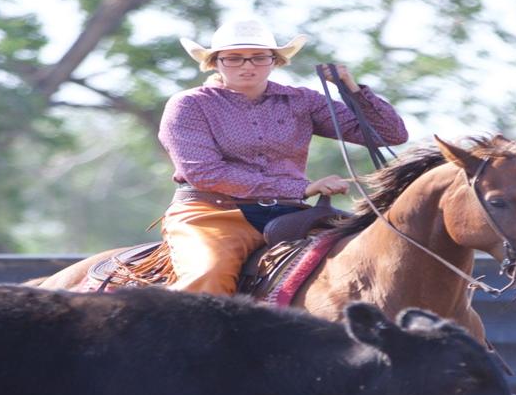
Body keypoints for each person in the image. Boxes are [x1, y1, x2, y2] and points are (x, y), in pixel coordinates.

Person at [157, 19, 409, 295]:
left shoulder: (303, 101)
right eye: (233, 58)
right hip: (214, 212)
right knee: (209, 274)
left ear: (274, 61)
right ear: (215, 62)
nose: (247, 65)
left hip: (292, 213)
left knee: (376, 256)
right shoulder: (189, 104)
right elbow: (205, 173)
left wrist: (350, 88)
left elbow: (390, 134)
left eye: (258, 57)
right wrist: (301, 188)